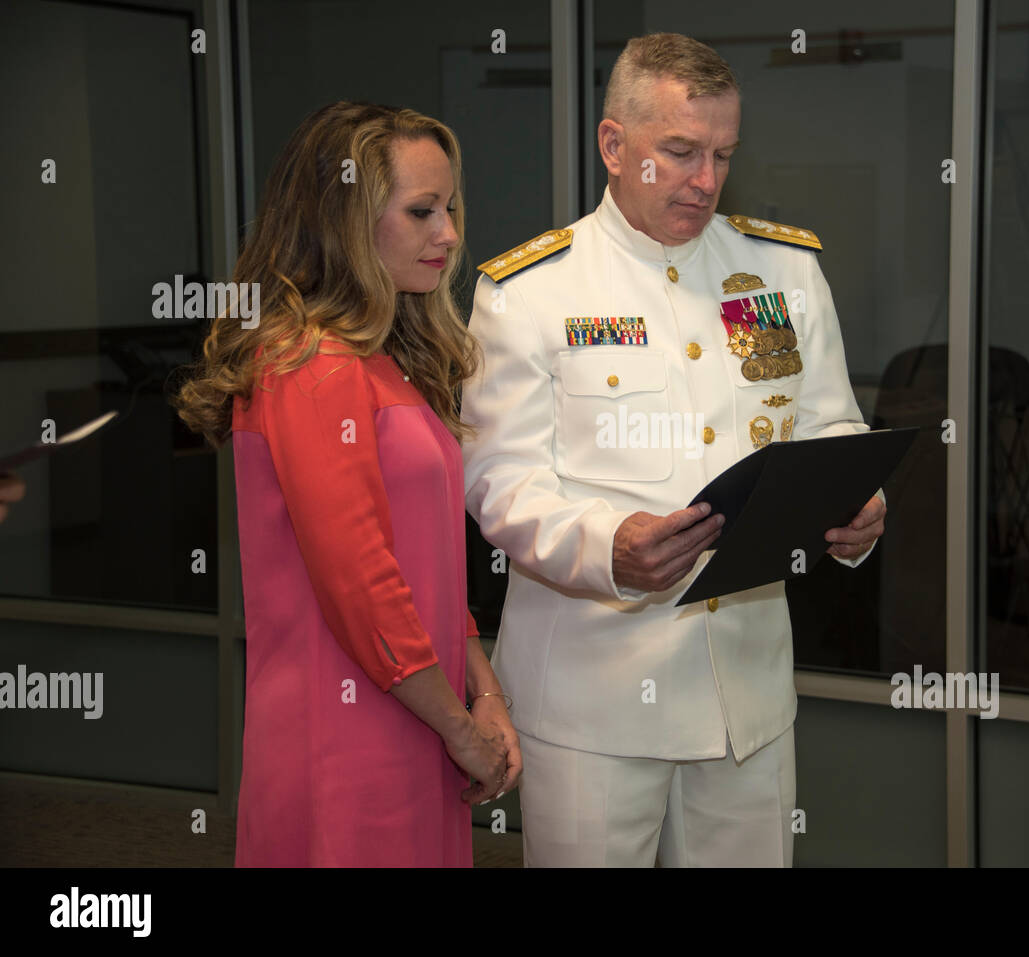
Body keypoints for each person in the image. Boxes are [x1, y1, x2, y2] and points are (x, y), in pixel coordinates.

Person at [461, 33, 886, 867]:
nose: (706, 180)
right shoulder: (530, 292)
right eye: (681, 151)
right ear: (613, 145)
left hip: (745, 694)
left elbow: (834, 425)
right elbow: (500, 483)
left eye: (723, 155)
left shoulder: (783, 272)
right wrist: (606, 548)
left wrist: (864, 505)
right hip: (593, 699)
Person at [174, 101, 520, 867]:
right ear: (344, 220)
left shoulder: (380, 357)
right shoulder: (309, 363)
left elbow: (426, 562)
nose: (451, 234)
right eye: (422, 211)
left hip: (417, 710)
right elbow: (358, 580)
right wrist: (461, 727)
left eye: (451, 207)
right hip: (349, 730)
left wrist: (483, 692)